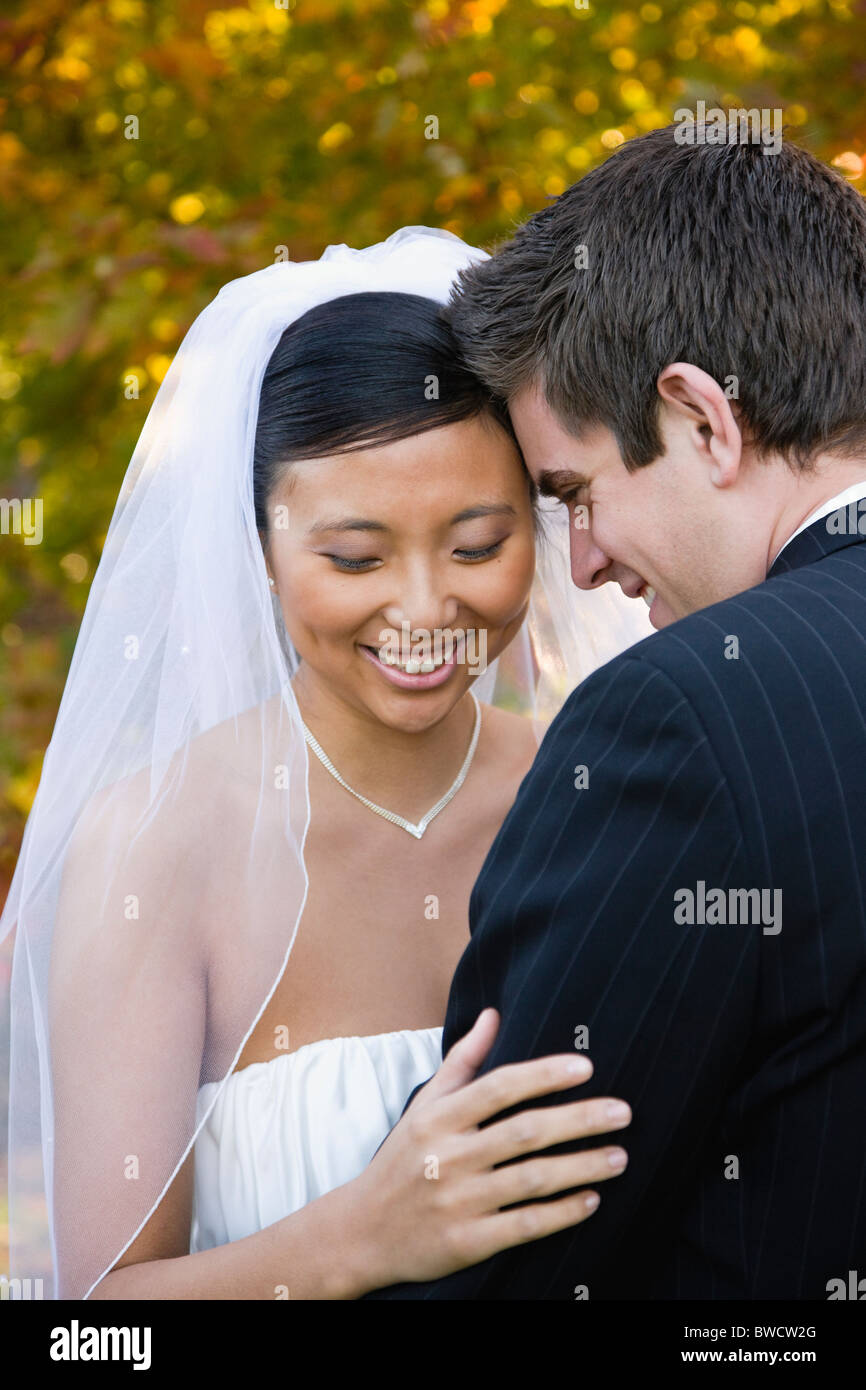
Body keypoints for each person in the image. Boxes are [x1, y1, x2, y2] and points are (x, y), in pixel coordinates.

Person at [1, 228, 650, 1300]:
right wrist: (361, 1239)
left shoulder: (589, 796)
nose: (423, 608)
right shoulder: (157, 845)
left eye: (477, 544)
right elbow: (100, 1322)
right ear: (256, 547)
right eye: (354, 556)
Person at [364, 124, 866, 1300]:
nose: (579, 566)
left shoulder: (681, 720)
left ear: (702, 418)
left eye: (574, 495)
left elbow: (505, 1258)